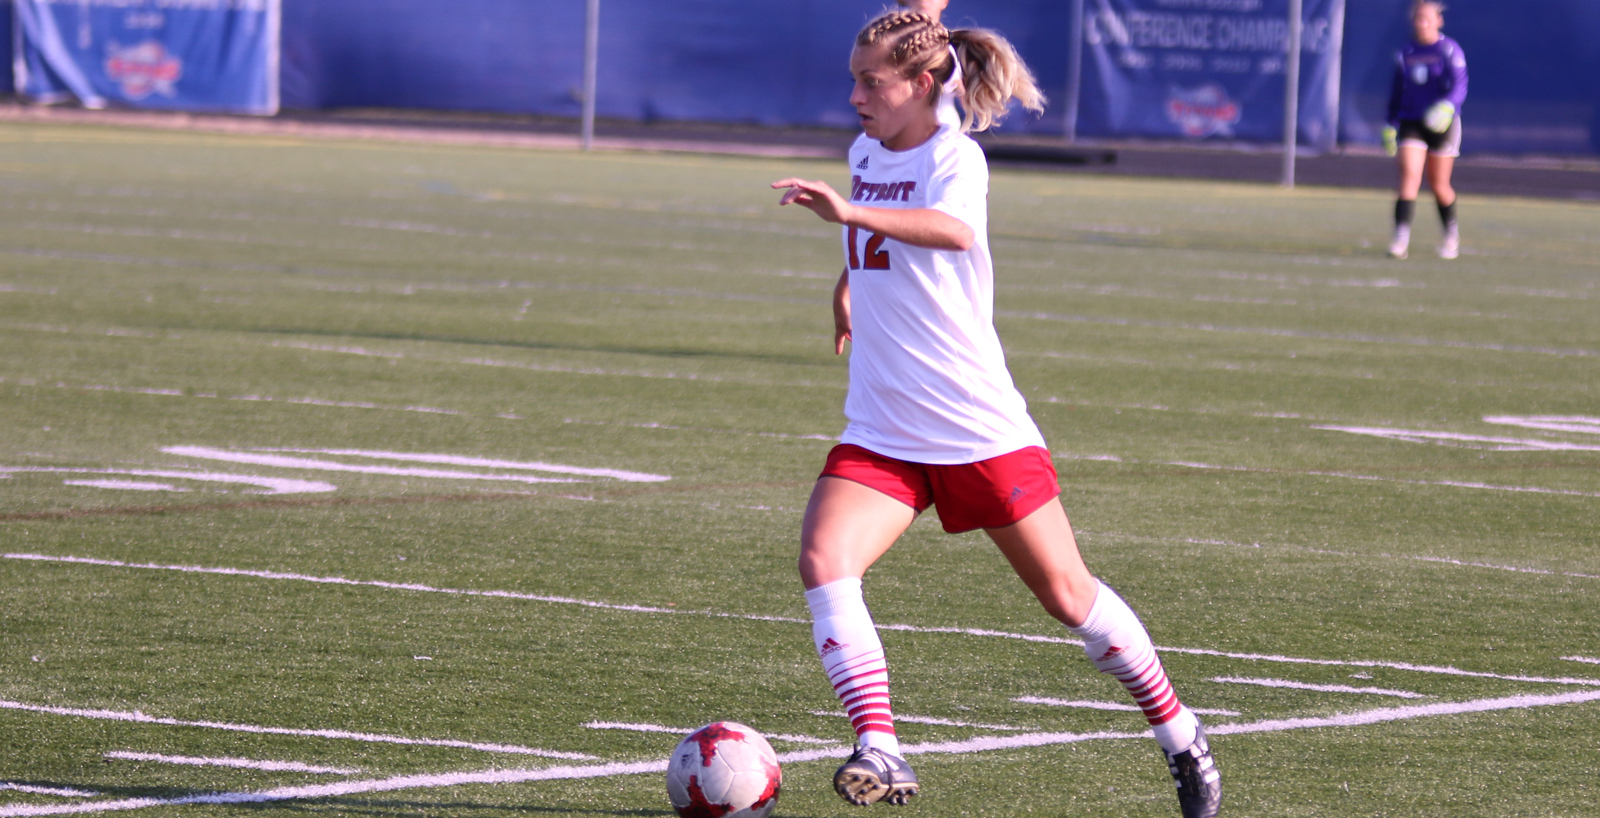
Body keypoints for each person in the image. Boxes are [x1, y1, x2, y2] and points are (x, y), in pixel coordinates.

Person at [770, 10, 1221, 818]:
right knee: (823, 559)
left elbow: (950, 231)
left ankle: (1181, 732)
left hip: (975, 424)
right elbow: (877, 244)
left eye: (871, 82)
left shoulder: (955, 156)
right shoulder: (868, 148)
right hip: (883, 427)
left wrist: (851, 218)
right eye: (855, 79)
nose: (856, 95)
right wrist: (848, 285)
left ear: (921, 86)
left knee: (1068, 597)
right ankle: (882, 745)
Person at [1382, 0, 1467, 260]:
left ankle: (1451, 235)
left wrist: (1448, 107)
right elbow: (1397, 92)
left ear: (1438, 20)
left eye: (1427, 18)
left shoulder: (1448, 49)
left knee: (1439, 184)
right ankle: (1400, 239)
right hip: (1412, 122)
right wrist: (1390, 123)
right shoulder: (1406, 53)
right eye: (1418, 17)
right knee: (1409, 178)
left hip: (1442, 124)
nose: (1422, 22)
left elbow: (1460, 84)